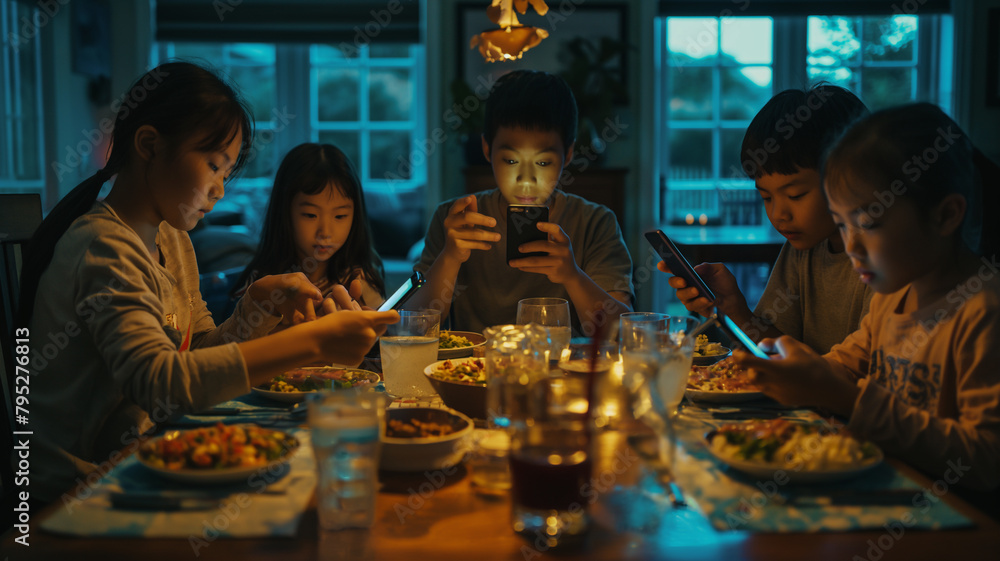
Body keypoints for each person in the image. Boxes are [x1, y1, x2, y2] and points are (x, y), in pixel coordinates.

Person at [17, 62, 398, 505]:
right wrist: (312, 344)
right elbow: (162, 384)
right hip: (77, 493)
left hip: (145, 461)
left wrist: (257, 304)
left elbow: (196, 354)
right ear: (149, 145)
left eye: (227, 171)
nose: (220, 189)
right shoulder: (104, 248)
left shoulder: (172, 239)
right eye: (213, 165)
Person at [736, 103, 1000, 493]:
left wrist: (850, 402)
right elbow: (843, 364)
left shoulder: (982, 312)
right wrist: (791, 370)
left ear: (946, 215)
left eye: (869, 223)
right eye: (841, 224)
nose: (851, 246)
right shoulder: (891, 298)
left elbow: (986, 461)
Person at [409, 70, 633, 335]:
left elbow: (621, 333)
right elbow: (412, 329)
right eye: (511, 161)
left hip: (562, 372)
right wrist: (449, 257)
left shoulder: (594, 222)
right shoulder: (455, 219)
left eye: (543, 162)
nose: (526, 180)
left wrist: (572, 275)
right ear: (486, 149)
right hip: (472, 372)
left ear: (569, 154)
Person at [661, 84, 872, 353]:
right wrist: (733, 308)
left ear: (849, 177)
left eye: (795, 195)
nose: (778, 215)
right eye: (766, 198)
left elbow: (862, 377)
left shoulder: (879, 260)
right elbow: (779, 347)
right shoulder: (802, 249)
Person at [232, 142, 386, 327]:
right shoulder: (262, 284)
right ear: (284, 212)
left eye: (340, 216)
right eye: (310, 215)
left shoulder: (359, 279)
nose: (325, 232)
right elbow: (234, 348)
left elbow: (382, 342)